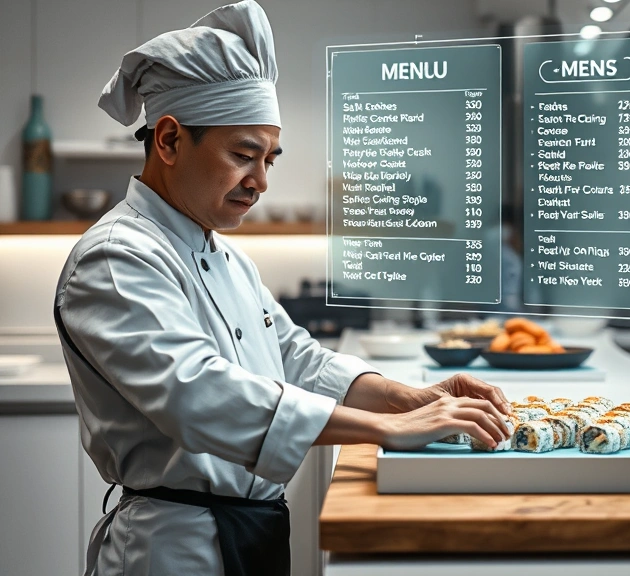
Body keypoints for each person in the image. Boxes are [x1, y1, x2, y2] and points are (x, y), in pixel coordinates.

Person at [53, 2, 510, 575]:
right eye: (243, 155)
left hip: (254, 533)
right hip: (176, 548)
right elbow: (199, 396)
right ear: (168, 141)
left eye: (269, 159)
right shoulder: (116, 257)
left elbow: (297, 358)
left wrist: (407, 398)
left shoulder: (223, 254)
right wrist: (386, 429)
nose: (261, 182)